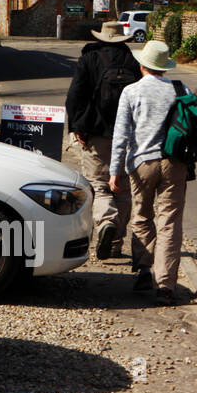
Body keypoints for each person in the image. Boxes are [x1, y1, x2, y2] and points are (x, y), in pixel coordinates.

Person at [109, 40, 187, 306]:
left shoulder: (131, 92)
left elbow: (121, 135)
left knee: (142, 215)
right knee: (169, 223)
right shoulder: (179, 89)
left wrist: (115, 171)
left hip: (142, 163)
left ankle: (143, 270)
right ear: (164, 66)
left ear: (142, 65)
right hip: (174, 163)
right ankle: (165, 285)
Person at [65, 20, 142, 259]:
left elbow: (75, 95)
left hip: (96, 132)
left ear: (101, 37)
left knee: (98, 184)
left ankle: (106, 222)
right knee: (123, 187)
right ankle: (117, 243)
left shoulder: (90, 58)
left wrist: (78, 126)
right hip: (128, 135)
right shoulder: (133, 61)